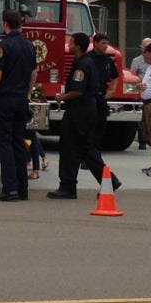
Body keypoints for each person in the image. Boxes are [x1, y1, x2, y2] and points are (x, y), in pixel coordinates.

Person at [48, 32, 122, 199]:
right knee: (86, 148)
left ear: (78, 46)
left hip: (79, 111)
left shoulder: (82, 65)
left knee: (68, 148)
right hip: (88, 110)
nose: (70, 46)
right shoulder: (87, 62)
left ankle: (67, 186)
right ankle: (110, 181)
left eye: (72, 43)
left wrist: (61, 97)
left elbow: (77, 91)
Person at [0, 8, 36, 202]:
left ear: (4, 23)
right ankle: (22, 189)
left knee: (4, 144)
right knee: (18, 143)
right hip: (21, 100)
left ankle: (9, 189)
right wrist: (27, 93)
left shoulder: (2, 46)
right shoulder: (30, 46)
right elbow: (33, 74)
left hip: (5, 100)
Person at [90, 32, 119, 156]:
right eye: (103, 43)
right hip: (89, 97)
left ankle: (96, 152)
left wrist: (111, 90)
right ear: (95, 43)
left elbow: (115, 76)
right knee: (88, 127)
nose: (106, 46)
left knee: (100, 126)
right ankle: (86, 155)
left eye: (107, 43)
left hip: (102, 97)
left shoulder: (108, 60)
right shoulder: (88, 59)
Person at [136, 42, 151, 176]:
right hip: (147, 104)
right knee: (149, 133)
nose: (143, 55)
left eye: (145, 53)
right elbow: (148, 85)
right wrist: (141, 87)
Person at [130, 38, 151, 150]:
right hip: (139, 94)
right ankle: (143, 140)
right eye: (143, 48)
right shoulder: (137, 61)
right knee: (141, 119)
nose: (144, 50)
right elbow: (132, 78)